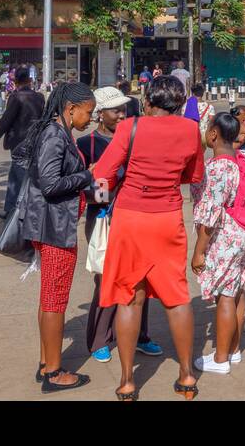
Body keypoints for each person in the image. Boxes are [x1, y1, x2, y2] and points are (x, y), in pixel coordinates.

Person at [91, 75, 205, 401]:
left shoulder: (130, 127)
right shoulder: (190, 130)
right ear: (179, 103)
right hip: (168, 217)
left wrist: (101, 200)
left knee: (129, 297)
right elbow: (194, 175)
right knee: (177, 296)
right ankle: (187, 376)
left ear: (148, 101)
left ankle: (127, 381)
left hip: (130, 218)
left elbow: (102, 175)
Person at [17, 82, 97, 394]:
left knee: (49, 296)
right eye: (88, 112)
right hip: (54, 227)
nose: (90, 118)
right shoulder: (54, 134)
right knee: (55, 299)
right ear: (70, 109)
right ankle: (54, 372)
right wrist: (87, 175)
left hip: (51, 224)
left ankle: (45, 362)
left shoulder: (56, 131)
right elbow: (50, 184)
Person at [76, 87, 160, 363]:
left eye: (124, 110)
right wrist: (104, 183)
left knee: (140, 277)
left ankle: (140, 335)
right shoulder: (87, 144)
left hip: (136, 214)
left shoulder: (136, 138)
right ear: (100, 114)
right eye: (116, 111)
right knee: (106, 278)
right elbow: (83, 186)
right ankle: (100, 339)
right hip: (102, 217)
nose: (122, 115)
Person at [191, 112, 245, 374]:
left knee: (225, 296)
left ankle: (220, 359)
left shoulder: (217, 168)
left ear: (213, 134)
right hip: (243, 233)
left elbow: (211, 215)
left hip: (225, 237)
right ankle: (233, 350)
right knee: (236, 290)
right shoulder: (240, 161)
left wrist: (199, 251)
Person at [0, 66, 46, 220]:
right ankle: (9, 208)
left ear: (15, 81)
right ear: (30, 80)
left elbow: (5, 122)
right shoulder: (39, 97)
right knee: (15, 175)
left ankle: (24, 211)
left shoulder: (16, 97)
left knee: (22, 178)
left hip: (19, 143)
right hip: (35, 142)